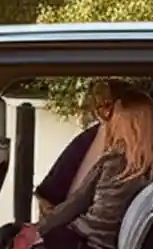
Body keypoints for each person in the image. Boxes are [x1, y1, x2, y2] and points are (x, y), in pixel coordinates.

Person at [27, 88, 153, 249]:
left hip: (87, 247)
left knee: (11, 235)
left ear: (123, 125)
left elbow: (77, 203)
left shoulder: (114, 161)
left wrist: (39, 228)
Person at [33, 79, 135, 219]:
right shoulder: (88, 139)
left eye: (108, 105)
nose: (103, 112)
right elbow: (48, 195)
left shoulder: (135, 151)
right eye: (98, 105)